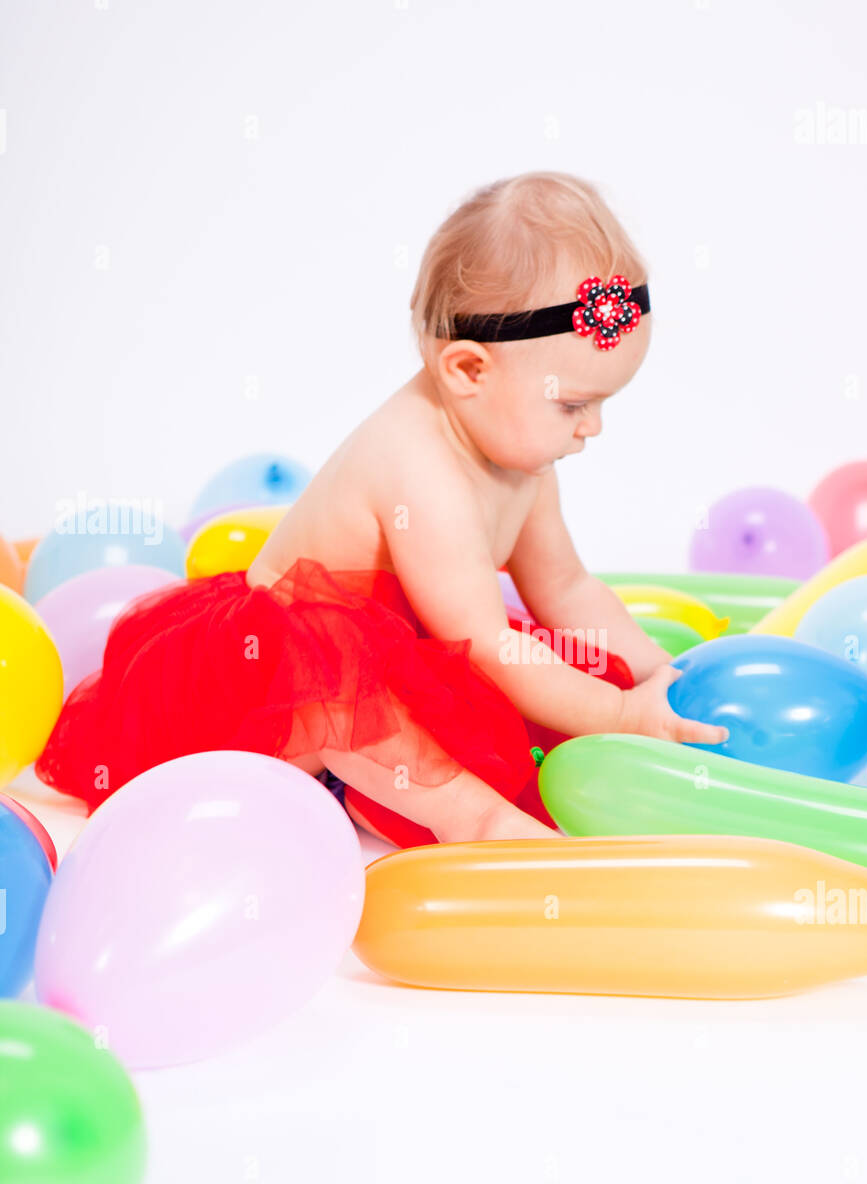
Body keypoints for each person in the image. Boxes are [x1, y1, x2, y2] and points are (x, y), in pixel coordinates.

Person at [35, 171, 728, 845]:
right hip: (270, 682)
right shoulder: (420, 467)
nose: (593, 427)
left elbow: (567, 589)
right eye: (575, 404)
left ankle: (357, 790)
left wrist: (650, 671)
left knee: (571, 666)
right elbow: (487, 647)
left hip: (407, 654)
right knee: (334, 691)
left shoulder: (523, 452)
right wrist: (615, 715)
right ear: (466, 372)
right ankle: (471, 817)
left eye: (602, 404)